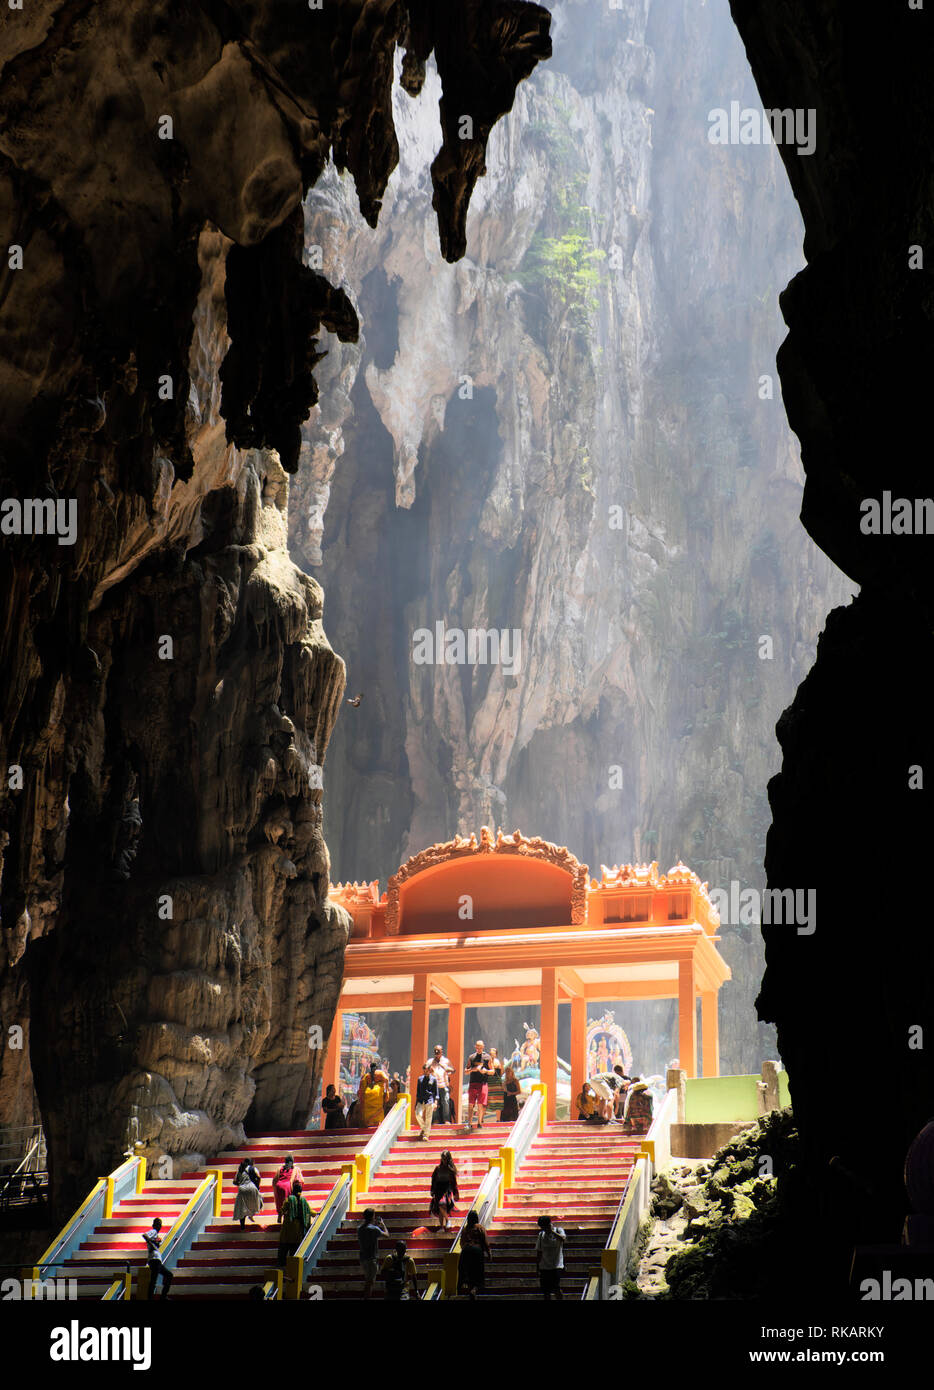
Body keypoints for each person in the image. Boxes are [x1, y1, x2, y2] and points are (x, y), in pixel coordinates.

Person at [277, 1179, 313, 1268]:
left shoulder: (289, 1199)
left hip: (288, 1226)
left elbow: (282, 1210)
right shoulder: (303, 1201)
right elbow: (310, 1211)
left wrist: (279, 1218)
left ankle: (281, 1264)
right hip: (298, 1229)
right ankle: (292, 1265)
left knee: (284, 1247)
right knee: (295, 1249)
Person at [457, 1209, 491, 1299]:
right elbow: (486, 1242)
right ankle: (474, 1290)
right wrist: (489, 1254)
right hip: (477, 1251)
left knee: (467, 1271)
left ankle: (461, 1288)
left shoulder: (465, 1229)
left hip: (466, 1251)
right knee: (478, 1273)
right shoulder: (480, 1228)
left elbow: (461, 1243)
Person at [358, 1208, 390, 1299]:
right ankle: (366, 1297)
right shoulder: (374, 1229)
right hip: (372, 1258)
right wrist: (383, 1225)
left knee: (368, 1279)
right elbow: (387, 1235)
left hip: (363, 1258)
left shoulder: (360, 1229)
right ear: (373, 1216)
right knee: (370, 1281)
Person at [535, 1214, 566, 1300]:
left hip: (556, 1265)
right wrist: (537, 1267)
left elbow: (563, 1239)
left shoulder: (559, 1230)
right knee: (546, 1291)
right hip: (544, 1267)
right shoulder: (541, 1235)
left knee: (556, 1288)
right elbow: (539, 1251)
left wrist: (551, 1231)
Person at [464, 1039, 493, 1130]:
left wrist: (486, 1071)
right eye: (477, 1046)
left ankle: (479, 1123)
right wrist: (474, 1069)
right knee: (470, 1104)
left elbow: (492, 1071)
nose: (479, 1048)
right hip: (473, 1083)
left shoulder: (487, 1057)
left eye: (480, 1047)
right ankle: (469, 1123)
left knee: (481, 1104)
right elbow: (466, 1071)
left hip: (483, 1083)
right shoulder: (471, 1057)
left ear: (483, 1047)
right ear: (475, 1047)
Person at [143, 1217, 173, 1299]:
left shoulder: (156, 1234)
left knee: (163, 1277)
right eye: (157, 1224)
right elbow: (145, 1235)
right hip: (154, 1259)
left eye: (160, 1224)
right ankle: (161, 1297)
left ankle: (161, 1296)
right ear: (153, 1225)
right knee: (158, 1279)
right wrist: (152, 1244)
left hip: (156, 1260)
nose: (159, 1226)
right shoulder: (154, 1231)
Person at [429, 1150, 459, 1232]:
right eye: (443, 1158)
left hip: (447, 1189)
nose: (444, 1160)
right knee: (440, 1208)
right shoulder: (438, 1169)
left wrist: (456, 1193)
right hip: (438, 1189)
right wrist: (432, 1190)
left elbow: (454, 1182)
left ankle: (448, 1220)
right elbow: (433, 1179)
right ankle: (442, 1227)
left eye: (445, 1158)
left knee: (442, 1204)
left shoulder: (450, 1170)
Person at [233, 1156, 264, 1227]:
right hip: (252, 1187)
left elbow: (234, 1181)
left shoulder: (240, 1170)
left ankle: (242, 1226)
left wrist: (241, 1183)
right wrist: (257, 1185)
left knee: (241, 1208)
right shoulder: (253, 1168)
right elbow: (258, 1177)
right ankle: (251, 1214)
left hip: (242, 1189)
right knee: (259, 1201)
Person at [428, 1044, 454, 1124]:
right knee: (434, 1103)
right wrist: (429, 1070)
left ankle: (446, 1120)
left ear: (442, 1052)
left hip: (444, 1085)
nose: (437, 1054)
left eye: (438, 1052)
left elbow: (453, 1070)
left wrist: (446, 1068)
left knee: (445, 1101)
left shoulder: (446, 1061)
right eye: (435, 1052)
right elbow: (425, 1069)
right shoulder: (430, 1061)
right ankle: (435, 1120)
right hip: (434, 1086)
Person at [272, 1154, 303, 1220]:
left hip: (279, 1185)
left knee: (279, 1201)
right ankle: (286, 1217)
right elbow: (297, 1180)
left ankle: (280, 1214)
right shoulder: (295, 1169)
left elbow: (274, 1180)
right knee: (287, 1203)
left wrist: (275, 1190)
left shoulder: (280, 1168)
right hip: (287, 1186)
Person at [359, 1060, 389, 1128]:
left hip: (368, 1095)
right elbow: (386, 1080)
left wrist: (362, 1097)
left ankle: (369, 1123)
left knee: (369, 1110)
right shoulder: (380, 1073)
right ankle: (377, 1123)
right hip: (377, 1094)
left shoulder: (367, 1075)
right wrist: (386, 1091)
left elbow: (362, 1085)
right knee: (378, 1110)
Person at [415, 1063, 439, 1141]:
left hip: (430, 1100)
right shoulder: (420, 1079)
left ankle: (426, 1135)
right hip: (421, 1100)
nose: (426, 1072)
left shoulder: (433, 1079)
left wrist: (435, 1102)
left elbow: (436, 1092)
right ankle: (424, 1128)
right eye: (424, 1070)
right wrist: (416, 1103)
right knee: (418, 1114)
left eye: (427, 1070)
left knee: (428, 1118)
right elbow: (418, 1092)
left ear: (429, 1070)